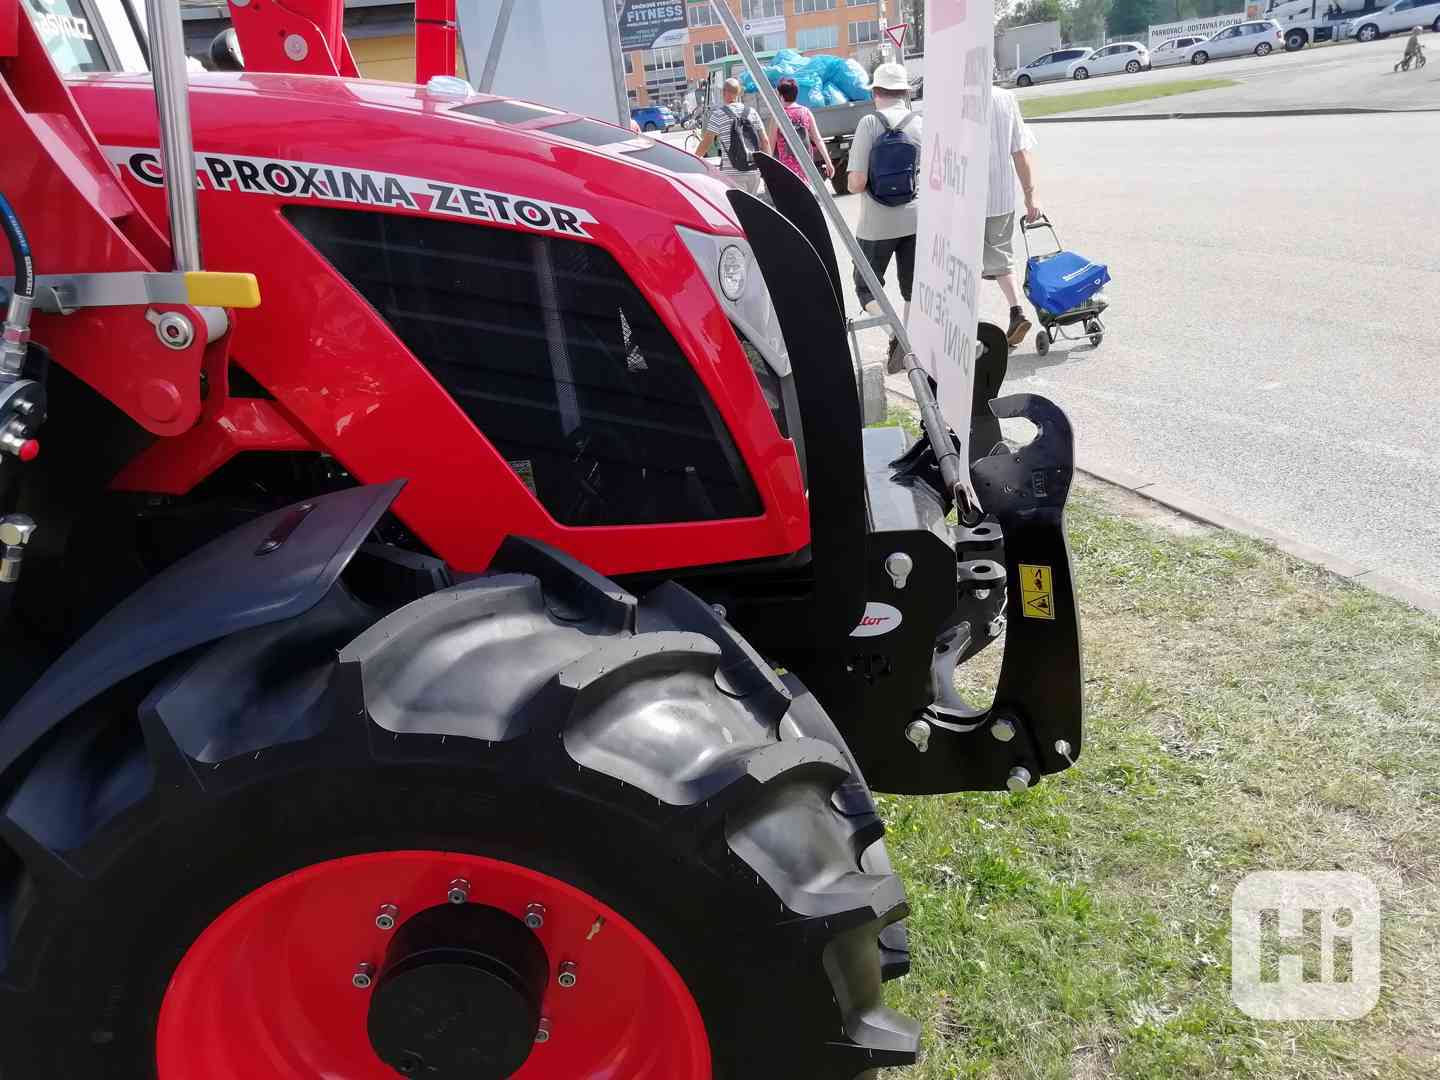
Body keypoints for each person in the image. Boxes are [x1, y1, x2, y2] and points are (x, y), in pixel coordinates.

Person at [846, 62, 921, 363]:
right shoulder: (919, 122)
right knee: (911, 287)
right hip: (914, 219)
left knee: (865, 286)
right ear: (904, 92)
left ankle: (895, 334)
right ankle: (912, 346)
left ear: (875, 92)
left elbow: (856, 183)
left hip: (876, 225)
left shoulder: (869, 123)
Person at [986, 85, 1042, 348]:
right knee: (1001, 258)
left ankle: (962, 325)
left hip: (963, 200)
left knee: (962, 261)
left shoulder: (952, 95)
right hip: (999, 196)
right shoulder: (1005, 98)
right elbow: (1021, 153)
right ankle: (1016, 310)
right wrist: (1030, 196)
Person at [696, 78, 771, 195]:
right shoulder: (752, 112)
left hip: (731, 173)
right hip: (753, 171)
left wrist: (694, 158)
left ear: (724, 92)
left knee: (736, 210)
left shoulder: (718, 114)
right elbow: (765, 141)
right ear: (739, 92)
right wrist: (768, 169)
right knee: (751, 208)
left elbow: (707, 142)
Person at [767, 77, 835, 184]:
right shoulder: (806, 112)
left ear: (780, 96)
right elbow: (818, 139)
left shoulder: (777, 116)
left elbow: (770, 145)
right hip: (807, 167)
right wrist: (828, 161)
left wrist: (768, 169)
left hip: (787, 169)